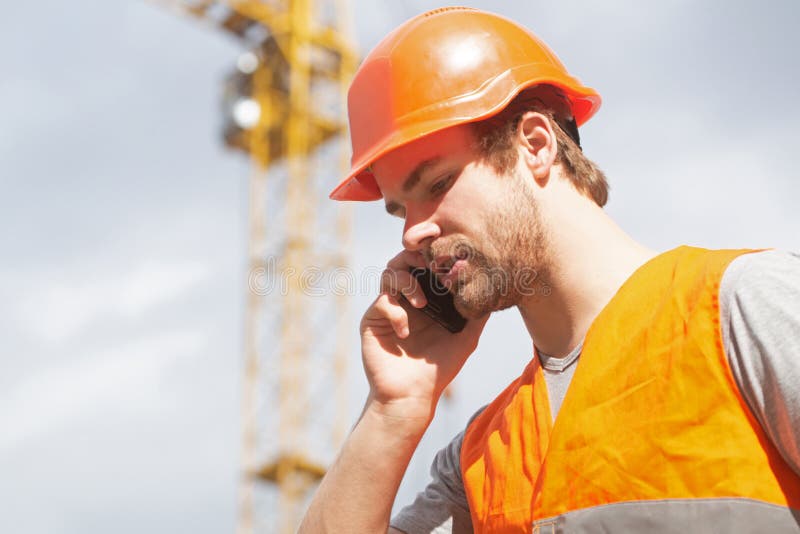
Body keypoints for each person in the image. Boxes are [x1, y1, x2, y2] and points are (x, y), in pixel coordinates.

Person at [299, 7, 800, 533]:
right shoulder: (475, 461)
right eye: (402, 210)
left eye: (438, 184)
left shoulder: (745, 311)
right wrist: (392, 409)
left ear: (535, 145)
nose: (412, 234)